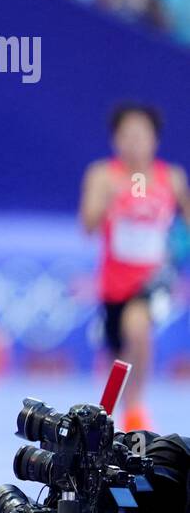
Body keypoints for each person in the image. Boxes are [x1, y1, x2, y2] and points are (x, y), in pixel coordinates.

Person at [81, 103, 190, 433]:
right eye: (127, 135)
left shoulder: (171, 178)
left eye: (141, 135)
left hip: (156, 278)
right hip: (114, 283)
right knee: (118, 353)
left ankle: (137, 406)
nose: (134, 143)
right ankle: (110, 411)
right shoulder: (102, 175)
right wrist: (109, 201)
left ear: (155, 140)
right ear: (115, 139)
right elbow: (87, 227)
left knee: (137, 326)